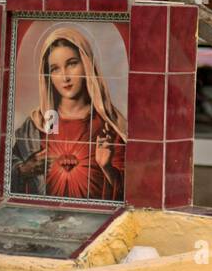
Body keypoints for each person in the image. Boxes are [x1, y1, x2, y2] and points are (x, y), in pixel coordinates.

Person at [10, 26, 126, 200]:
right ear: (47, 75)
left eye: (72, 64)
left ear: (86, 64)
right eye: (55, 69)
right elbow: (4, 177)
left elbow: (134, 192)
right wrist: (25, 169)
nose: (65, 77)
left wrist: (107, 167)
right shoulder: (37, 125)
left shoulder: (109, 126)